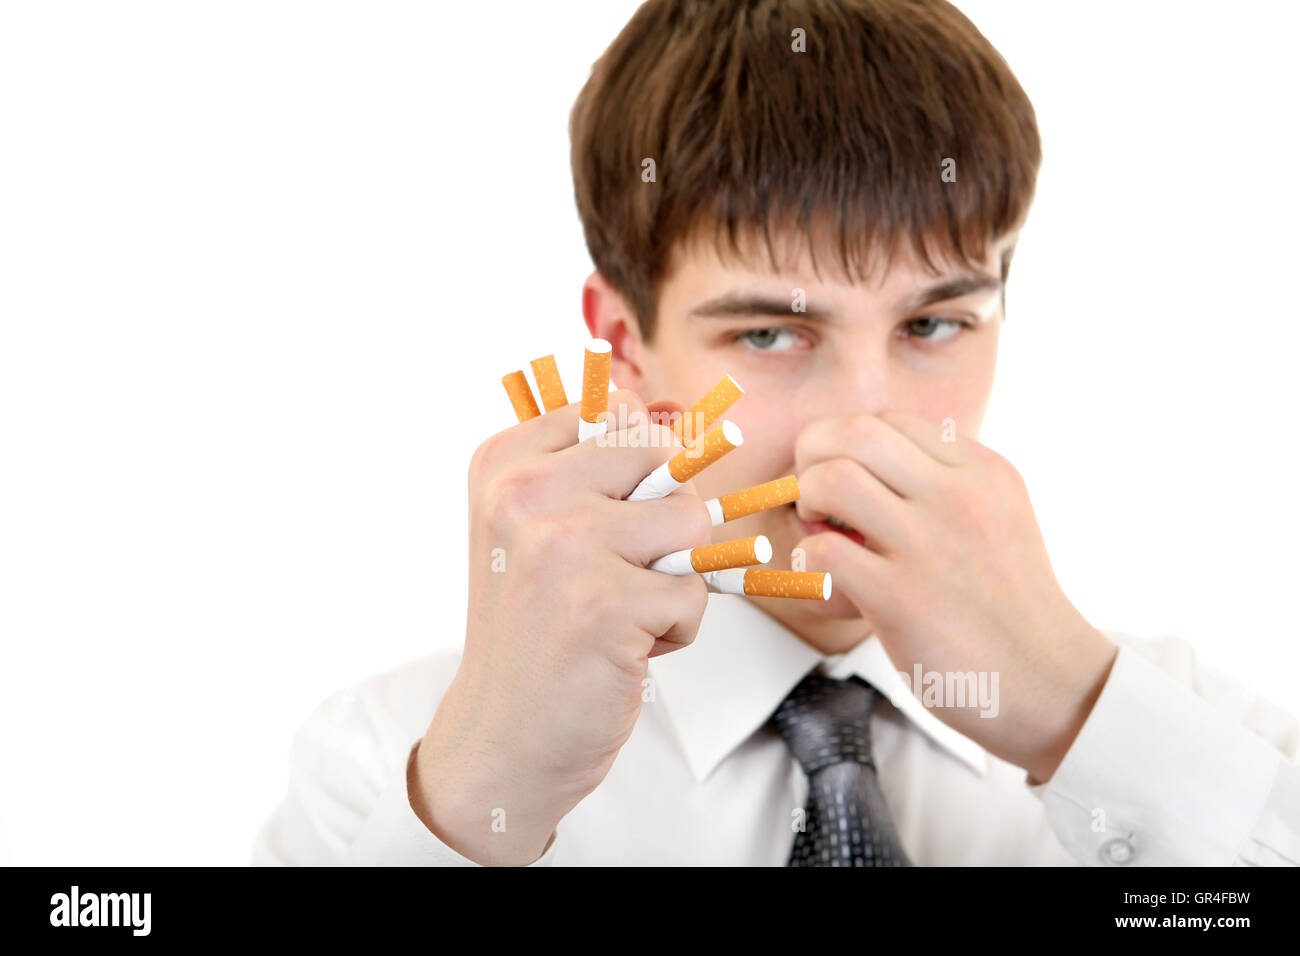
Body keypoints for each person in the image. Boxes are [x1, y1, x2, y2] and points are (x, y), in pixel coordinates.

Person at [252, 0, 1300, 866]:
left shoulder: (1203, 737)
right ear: (623, 343)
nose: (861, 421)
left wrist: (1080, 715)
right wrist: (484, 796)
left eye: (933, 324)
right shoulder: (392, 764)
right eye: (769, 332)